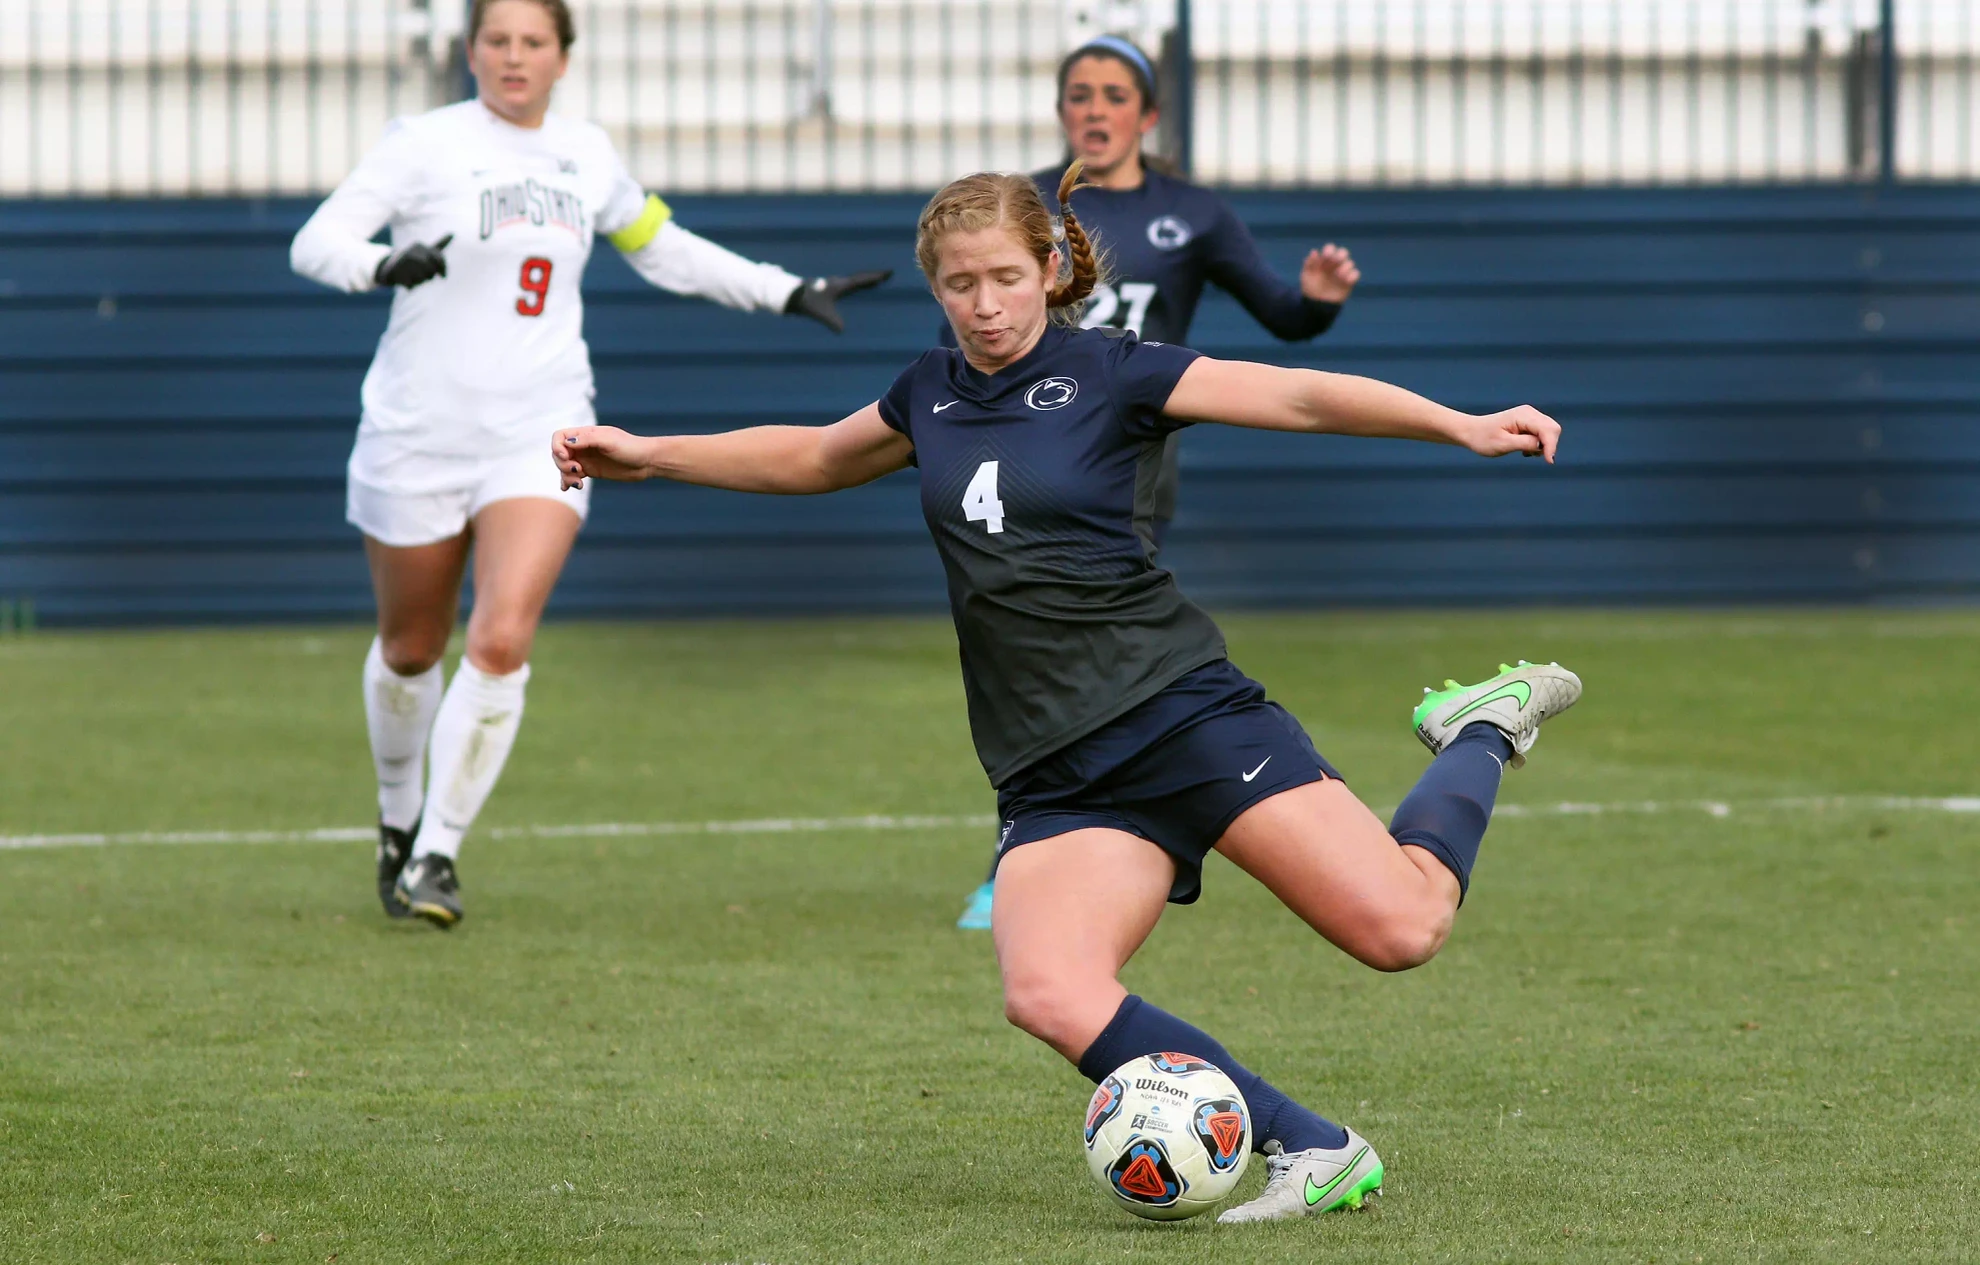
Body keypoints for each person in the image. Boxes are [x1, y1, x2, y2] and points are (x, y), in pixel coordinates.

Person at [552, 165, 1582, 1221]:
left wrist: (1457, 421)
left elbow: (1297, 391)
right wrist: (651, 454)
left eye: (1005, 276)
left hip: (1180, 711)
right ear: (937, 287)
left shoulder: (1113, 371)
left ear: (1050, 270)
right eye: (960, 284)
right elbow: (817, 455)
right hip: (1051, 765)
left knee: (1402, 928)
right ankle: (1309, 1144)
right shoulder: (929, 391)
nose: (985, 304)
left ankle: (1481, 727)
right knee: (1046, 990)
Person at [289, 0, 889, 928]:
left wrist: (785, 288)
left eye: (534, 41)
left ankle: (438, 854)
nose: (514, 57)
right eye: (497, 40)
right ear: (469, 51)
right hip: (416, 431)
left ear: (564, 57)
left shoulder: (588, 155)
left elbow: (663, 250)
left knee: (500, 639)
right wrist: (382, 265)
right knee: (412, 649)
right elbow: (316, 242)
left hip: (542, 429)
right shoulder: (422, 142)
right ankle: (397, 820)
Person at [947, 36, 1361, 928]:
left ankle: (1152, 813)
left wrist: (1318, 299)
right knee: (1029, 638)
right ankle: (1039, 844)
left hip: (1125, 471)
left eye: (1112, 95)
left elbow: (1282, 321)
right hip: (1031, 465)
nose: (1093, 110)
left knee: (1087, 646)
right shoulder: (1024, 209)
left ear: (1148, 113)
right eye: (1078, 95)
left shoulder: (1192, 214)